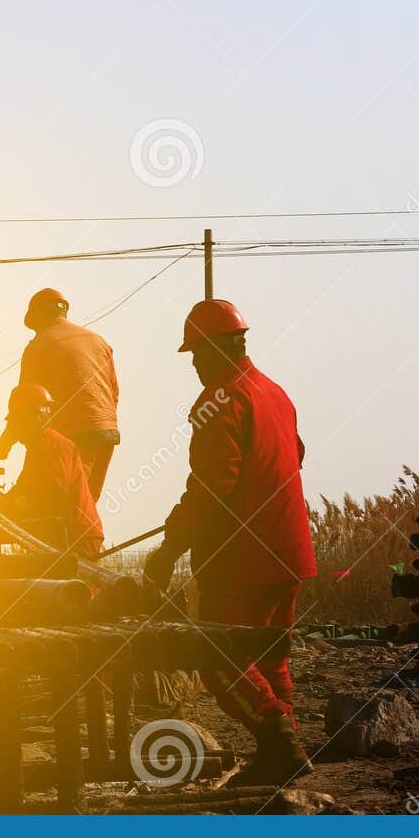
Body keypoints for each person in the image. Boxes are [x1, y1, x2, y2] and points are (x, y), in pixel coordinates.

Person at [143, 298, 315, 787]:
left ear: (218, 349)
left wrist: (168, 549)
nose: (194, 367)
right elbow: (292, 456)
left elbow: (211, 489)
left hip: (241, 560)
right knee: (270, 657)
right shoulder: (276, 393)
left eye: (196, 355)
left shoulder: (219, 401)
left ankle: (278, 739)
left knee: (219, 659)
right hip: (289, 550)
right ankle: (285, 750)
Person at [16, 288, 119, 501]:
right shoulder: (97, 340)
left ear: (38, 316)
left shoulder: (38, 346)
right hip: (107, 433)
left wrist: (4, 444)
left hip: (75, 436)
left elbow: (25, 403)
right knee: (86, 507)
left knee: (61, 508)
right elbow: (114, 392)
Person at [0, 383, 104, 557]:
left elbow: (53, 495)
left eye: (17, 422)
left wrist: (11, 506)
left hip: (76, 536)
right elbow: (25, 487)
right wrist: (1, 501)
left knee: (73, 584)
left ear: (35, 417)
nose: (15, 430)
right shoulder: (37, 448)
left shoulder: (55, 446)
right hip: (61, 534)